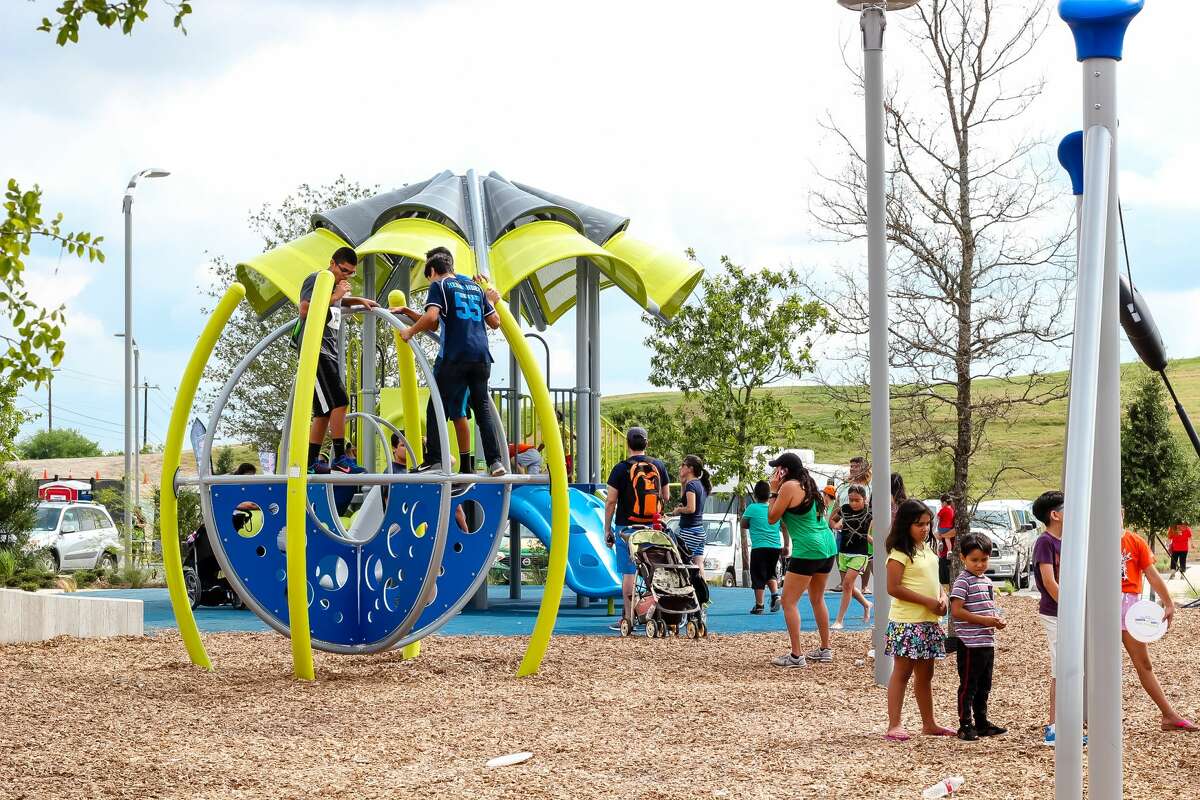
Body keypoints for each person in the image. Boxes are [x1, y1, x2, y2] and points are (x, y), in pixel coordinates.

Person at [397, 246, 505, 477]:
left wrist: (409, 332)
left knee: (436, 406)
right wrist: (491, 301)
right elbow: (495, 322)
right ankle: (495, 461)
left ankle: (435, 459)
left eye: (429, 278)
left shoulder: (440, 285)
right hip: (481, 358)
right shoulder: (474, 287)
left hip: (456, 356)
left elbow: (432, 316)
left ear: (434, 271)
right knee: (482, 409)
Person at [294, 246, 377, 472]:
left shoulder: (333, 289)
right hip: (316, 350)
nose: (346, 276)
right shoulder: (317, 279)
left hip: (329, 351)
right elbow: (304, 310)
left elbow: (335, 304)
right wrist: (338, 295)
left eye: (351, 273)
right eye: (343, 270)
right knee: (340, 400)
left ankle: (311, 462)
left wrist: (356, 300)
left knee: (323, 411)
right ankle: (340, 457)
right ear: (332, 263)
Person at [883, 498, 954, 741]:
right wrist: (927, 601)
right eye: (919, 524)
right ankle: (895, 724)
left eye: (927, 523)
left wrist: (942, 597)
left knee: (926, 675)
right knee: (902, 672)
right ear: (906, 525)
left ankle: (929, 723)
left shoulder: (927, 549)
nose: (925, 528)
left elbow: (935, 582)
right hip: (907, 622)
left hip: (929, 621)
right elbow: (893, 587)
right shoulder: (899, 553)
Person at [1120, 522, 1197, 732]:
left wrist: (1168, 602)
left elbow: (1151, 573)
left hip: (1129, 607)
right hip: (1100, 606)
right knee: (1096, 664)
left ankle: (1169, 715)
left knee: (1143, 663)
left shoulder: (1135, 541)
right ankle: (1086, 713)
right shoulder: (1093, 539)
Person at [768, 452, 838, 668]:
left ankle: (796, 656)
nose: (774, 472)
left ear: (784, 471)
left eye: (777, 468)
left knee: (788, 601)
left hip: (808, 548)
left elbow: (772, 518)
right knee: (817, 598)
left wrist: (772, 490)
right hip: (827, 545)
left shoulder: (788, 487)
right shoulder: (809, 485)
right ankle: (825, 649)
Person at [603, 426, 669, 631]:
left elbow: (611, 502)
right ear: (646, 444)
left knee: (629, 574)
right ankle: (653, 613)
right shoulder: (658, 465)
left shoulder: (620, 468)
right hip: (652, 526)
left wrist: (608, 529)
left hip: (627, 526)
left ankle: (628, 617)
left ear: (627, 444)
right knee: (652, 570)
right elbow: (665, 496)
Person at [949, 533, 1007, 741]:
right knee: (968, 685)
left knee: (984, 685)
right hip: (969, 643)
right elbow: (956, 610)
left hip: (986, 641)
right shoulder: (963, 581)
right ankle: (965, 724)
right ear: (963, 558)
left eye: (984, 559)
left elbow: (986, 609)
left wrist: (995, 620)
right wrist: (985, 621)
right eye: (975, 560)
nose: (980, 564)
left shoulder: (987, 581)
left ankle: (981, 722)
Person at [1031, 490, 1063, 746]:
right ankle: (1054, 725)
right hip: (1056, 613)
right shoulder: (1045, 542)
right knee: (1061, 668)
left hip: (1069, 612)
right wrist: (1073, 608)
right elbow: (1050, 583)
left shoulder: (1068, 540)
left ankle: (1071, 720)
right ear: (1055, 514)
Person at [830, 485, 873, 629]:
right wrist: (835, 525)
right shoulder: (844, 509)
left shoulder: (869, 514)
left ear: (864, 499)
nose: (853, 503)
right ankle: (866, 604)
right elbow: (832, 520)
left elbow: (871, 533)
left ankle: (839, 620)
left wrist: (872, 540)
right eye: (851, 500)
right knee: (848, 585)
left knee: (847, 585)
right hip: (844, 551)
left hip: (860, 553)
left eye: (857, 500)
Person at [742, 480, 782, 614]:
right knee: (770, 572)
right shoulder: (774, 507)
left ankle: (759, 605)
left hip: (759, 547)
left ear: (755, 494)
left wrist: (752, 523)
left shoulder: (752, 508)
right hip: (775, 546)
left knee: (758, 575)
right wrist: (787, 544)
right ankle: (775, 595)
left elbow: (743, 524)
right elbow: (783, 525)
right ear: (769, 494)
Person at [670, 455, 711, 570]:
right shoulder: (698, 484)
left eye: (683, 465)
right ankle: (702, 588)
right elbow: (684, 501)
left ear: (690, 469)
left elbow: (690, 508)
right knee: (699, 564)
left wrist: (678, 510)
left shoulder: (692, 485)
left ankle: (686, 587)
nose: (680, 467)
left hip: (689, 531)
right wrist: (682, 483)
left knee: (681, 563)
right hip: (699, 531)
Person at [936, 494, 956, 587]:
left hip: (952, 557)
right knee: (943, 582)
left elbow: (954, 532)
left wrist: (942, 535)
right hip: (943, 556)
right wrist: (941, 536)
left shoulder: (954, 515)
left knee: (950, 582)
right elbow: (936, 534)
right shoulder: (950, 512)